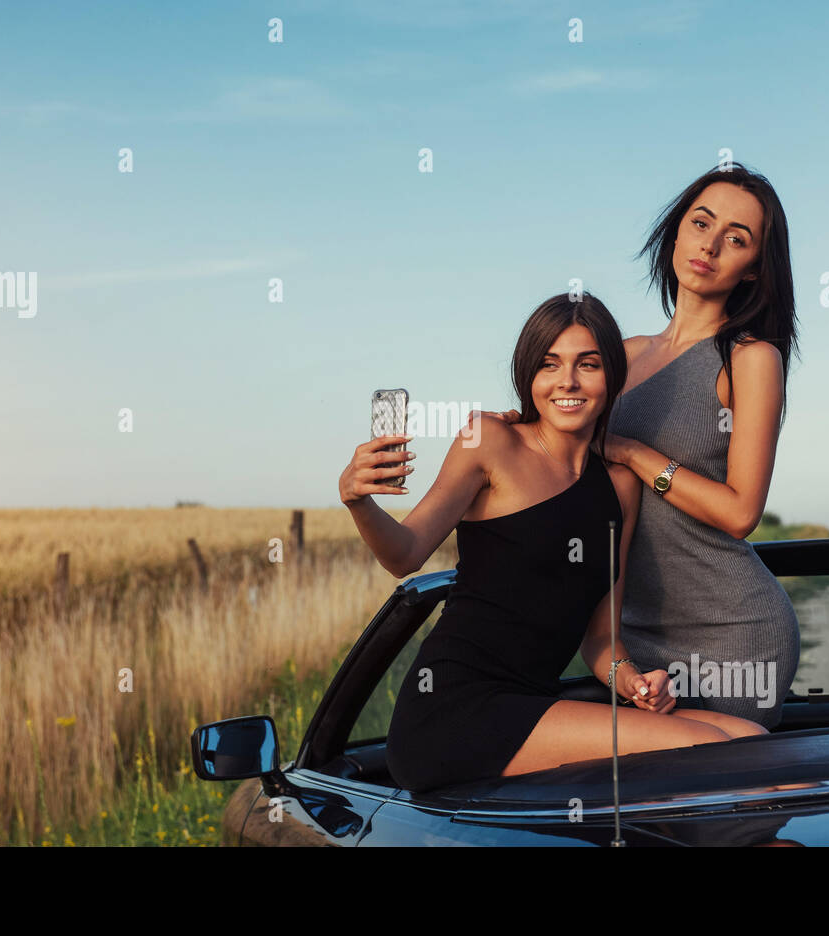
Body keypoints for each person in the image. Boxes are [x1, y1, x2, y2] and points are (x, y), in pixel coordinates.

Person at [338, 293, 766, 794]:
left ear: (612, 377)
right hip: (453, 712)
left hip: (535, 707)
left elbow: (603, 640)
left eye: (588, 364)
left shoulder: (622, 488)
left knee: (752, 739)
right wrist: (357, 501)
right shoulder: (490, 441)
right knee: (718, 751)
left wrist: (634, 683)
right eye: (549, 365)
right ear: (529, 376)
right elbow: (404, 555)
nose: (567, 381)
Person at [473, 163, 801, 728]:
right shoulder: (621, 354)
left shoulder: (751, 359)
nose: (711, 244)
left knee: (708, 803)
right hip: (626, 641)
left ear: (753, 270)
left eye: (737, 238)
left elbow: (741, 511)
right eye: (702, 223)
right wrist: (523, 429)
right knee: (639, 808)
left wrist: (632, 453)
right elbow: (565, 446)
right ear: (676, 232)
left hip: (734, 637)